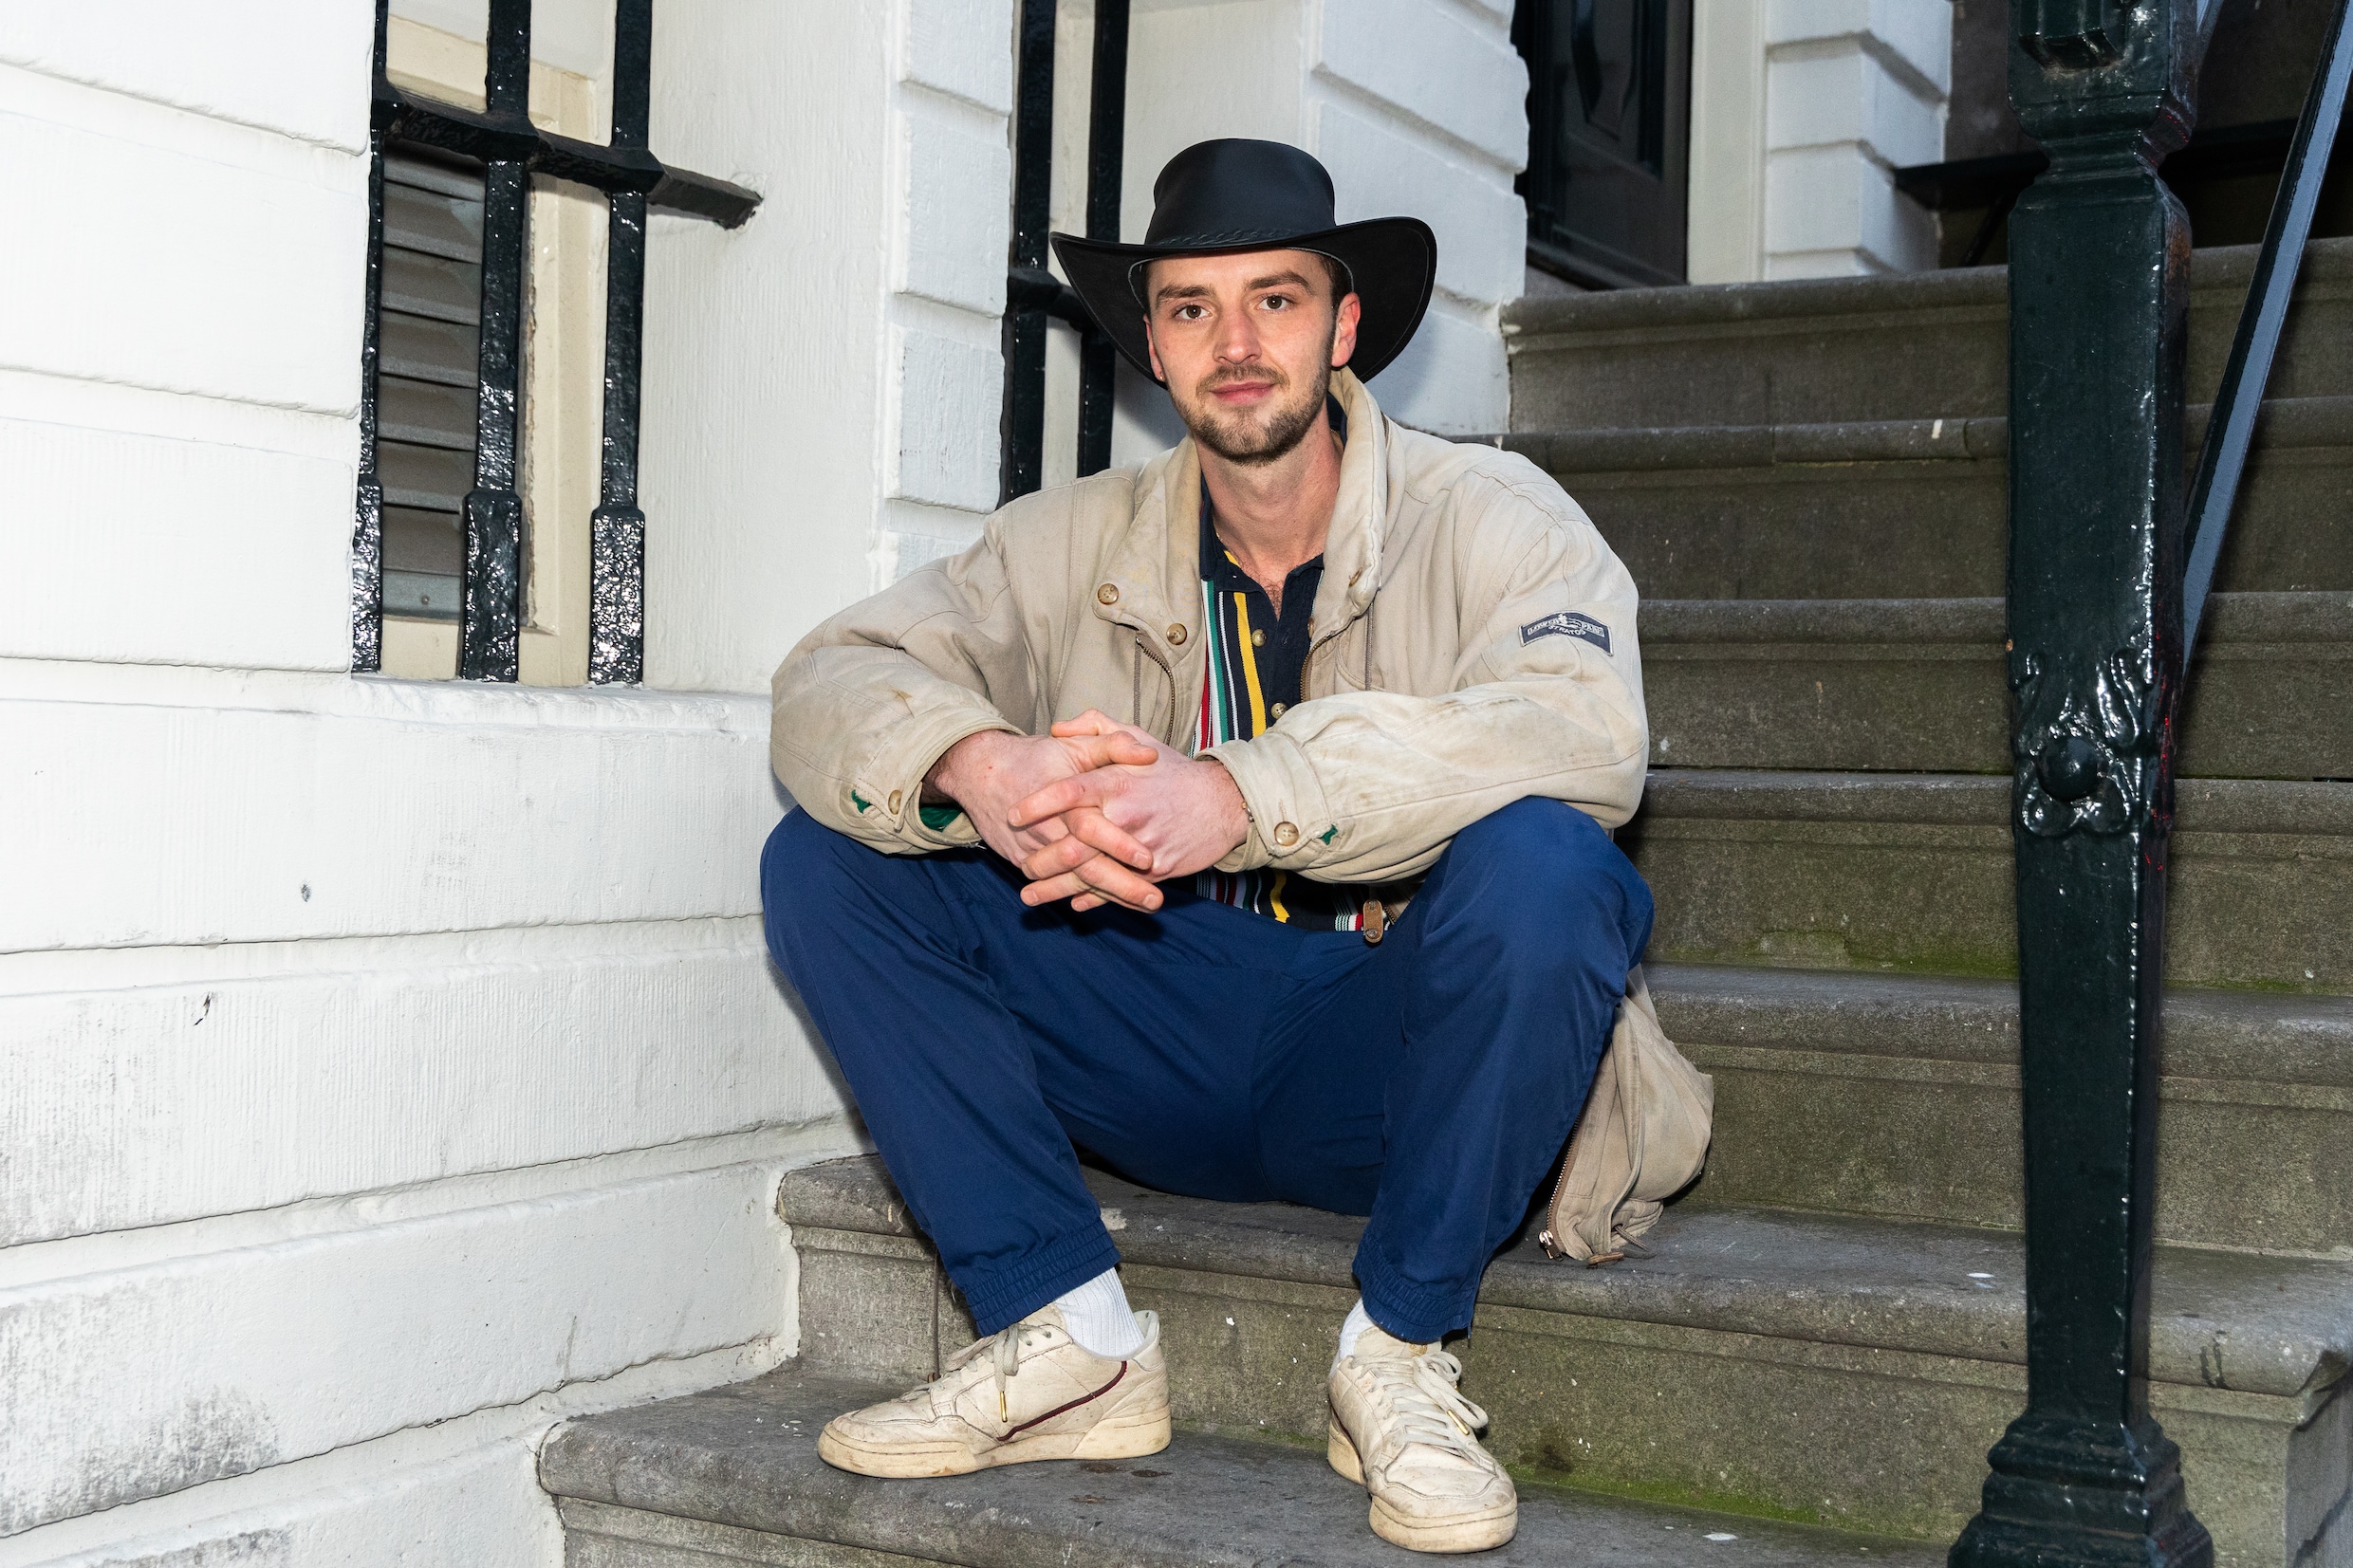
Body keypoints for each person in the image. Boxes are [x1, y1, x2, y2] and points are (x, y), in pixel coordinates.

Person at [763, 138, 1650, 1555]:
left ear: (1343, 326)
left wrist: (1240, 795)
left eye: (1276, 300)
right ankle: (1069, 1334)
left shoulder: (1493, 517)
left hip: (1395, 1049)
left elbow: (1588, 731)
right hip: (1151, 1017)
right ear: (1155, 349)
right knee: (831, 855)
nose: (1237, 345)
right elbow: (829, 678)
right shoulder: (1067, 538)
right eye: (1192, 309)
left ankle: (1400, 1357)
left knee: (1554, 867)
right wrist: (978, 765)